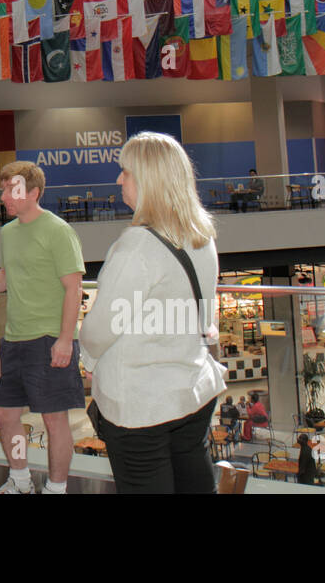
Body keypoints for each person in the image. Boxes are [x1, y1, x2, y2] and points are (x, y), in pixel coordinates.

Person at [80, 132, 226, 493]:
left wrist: (87, 355)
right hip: (192, 392)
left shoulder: (137, 247)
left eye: (125, 172)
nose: (118, 180)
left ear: (147, 180)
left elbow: (101, 329)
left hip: (140, 404)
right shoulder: (201, 237)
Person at [0, 160, 85, 495]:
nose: (4, 196)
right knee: (4, 414)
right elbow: (4, 278)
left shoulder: (58, 230)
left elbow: (74, 288)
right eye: (3, 189)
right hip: (14, 340)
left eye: (11, 189)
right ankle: (20, 479)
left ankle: (56, 488)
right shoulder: (7, 232)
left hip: (49, 339)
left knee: (53, 419)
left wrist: (64, 340)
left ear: (34, 193)